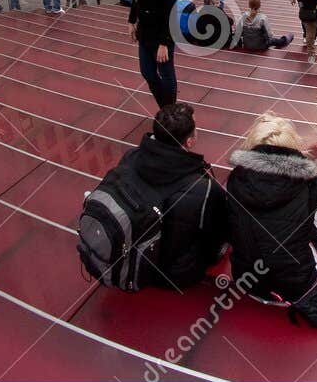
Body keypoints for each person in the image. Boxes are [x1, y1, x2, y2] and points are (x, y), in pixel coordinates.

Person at [95, 103, 227, 290]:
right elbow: (216, 231)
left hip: (134, 254)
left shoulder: (131, 156)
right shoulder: (204, 188)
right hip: (174, 274)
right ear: (189, 142)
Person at [224, 114, 317, 303]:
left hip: (246, 282)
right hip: (296, 286)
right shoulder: (306, 184)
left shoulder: (235, 179)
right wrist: (306, 159)